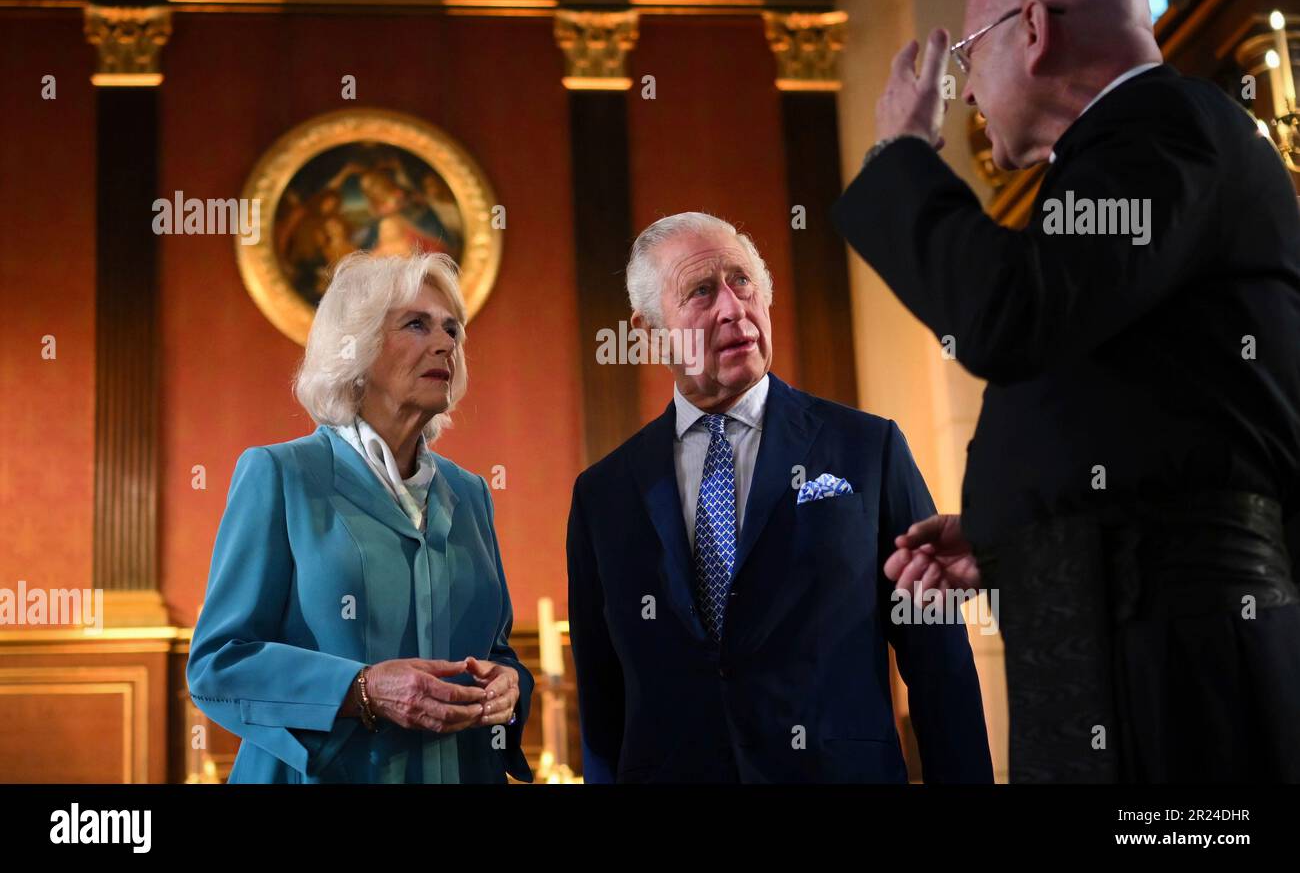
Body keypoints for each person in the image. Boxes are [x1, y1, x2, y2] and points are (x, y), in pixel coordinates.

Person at [832, 0, 1300, 781]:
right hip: (1123, 632)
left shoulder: (1166, 125)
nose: (966, 90)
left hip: (1174, 656)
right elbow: (1138, 404)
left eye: (970, 55)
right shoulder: (1133, 151)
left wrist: (901, 155)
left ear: (1036, 30)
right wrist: (1013, 530)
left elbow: (1011, 316)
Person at [567, 212, 992, 783]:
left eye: (742, 281)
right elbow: (602, 697)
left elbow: (938, 659)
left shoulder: (868, 448)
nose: (731, 307)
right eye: (700, 291)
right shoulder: (605, 494)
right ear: (647, 334)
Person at [187, 250, 533, 783]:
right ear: (356, 349)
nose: (445, 343)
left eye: (452, 329)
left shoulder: (470, 494)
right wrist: (362, 689)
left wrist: (509, 683)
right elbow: (219, 665)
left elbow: (496, 651)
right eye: (416, 325)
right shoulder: (280, 475)